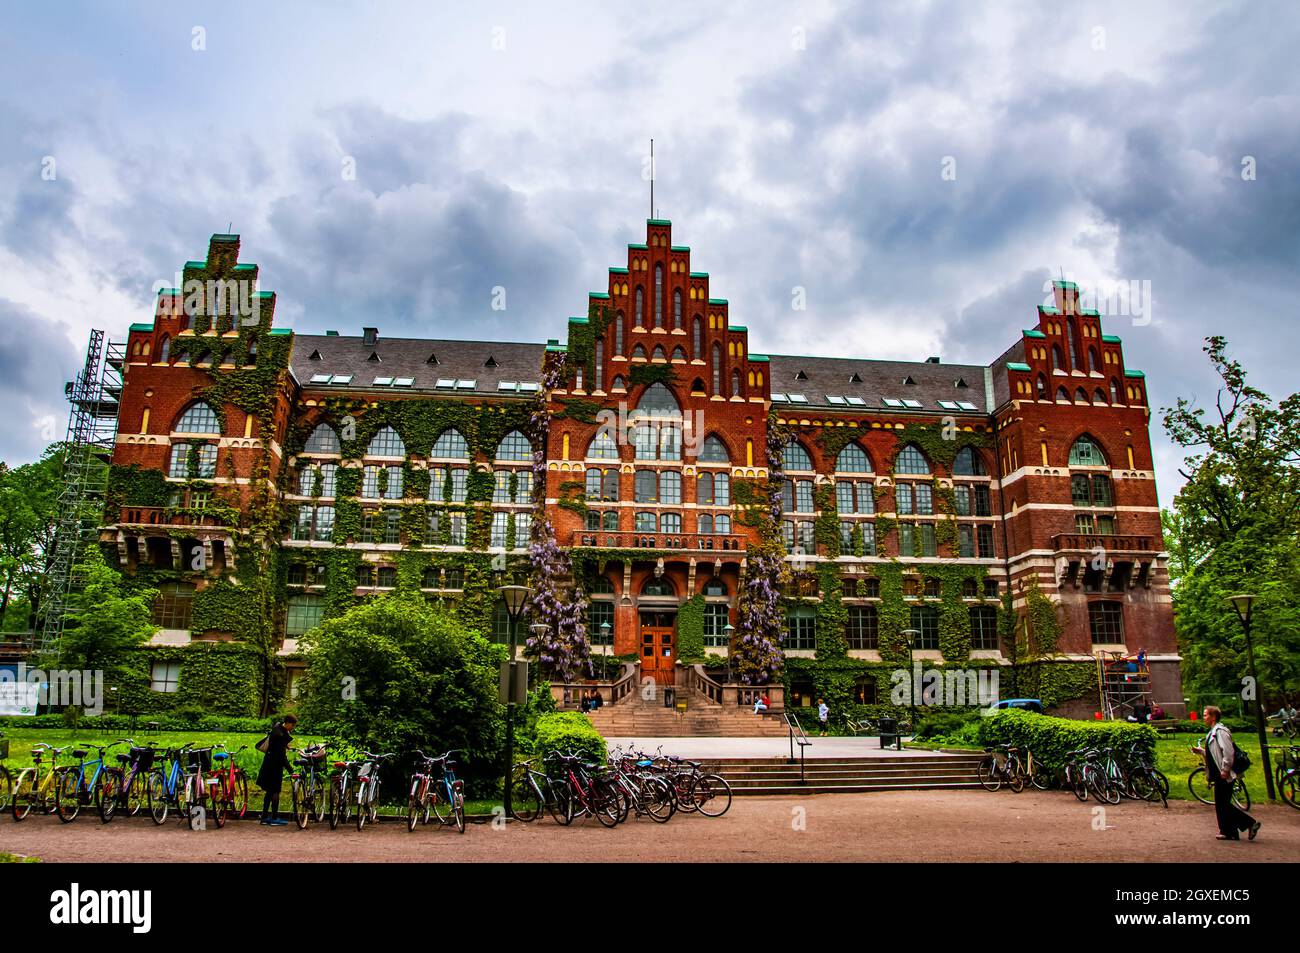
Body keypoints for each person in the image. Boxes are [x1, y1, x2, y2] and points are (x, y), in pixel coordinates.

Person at [1190, 706, 1260, 842]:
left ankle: (1249, 824)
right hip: (1219, 772)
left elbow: (1228, 752)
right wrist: (1202, 752)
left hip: (1224, 773)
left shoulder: (1220, 731)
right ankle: (1229, 832)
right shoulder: (1213, 732)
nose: (1203, 717)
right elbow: (1215, 753)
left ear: (1213, 717)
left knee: (1223, 803)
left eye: (1205, 715)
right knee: (1222, 803)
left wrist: (1225, 769)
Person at [256, 714, 296, 826]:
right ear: (287, 723)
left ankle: (264, 817)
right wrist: (291, 770)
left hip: (268, 763)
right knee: (275, 791)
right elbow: (282, 757)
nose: (293, 727)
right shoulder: (280, 735)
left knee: (269, 791)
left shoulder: (277, 729)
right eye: (292, 725)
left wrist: (286, 745)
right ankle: (274, 817)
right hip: (274, 766)